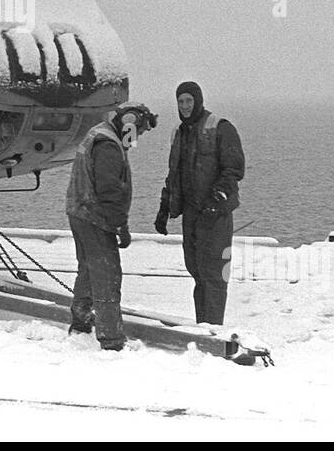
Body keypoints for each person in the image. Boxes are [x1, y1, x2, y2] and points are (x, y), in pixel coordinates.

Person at [66, 101, 158, 350]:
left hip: (80, 212)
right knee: (107, 274)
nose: (137, 137)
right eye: (140, 132)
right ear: (131, 124)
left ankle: (81, 321)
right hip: (95, 216)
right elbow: (109, 190)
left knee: (88, 268)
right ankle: (111, 339)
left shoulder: (102, 133)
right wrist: (120, 225)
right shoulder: (108, 145)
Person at [155, 81, 245, 325]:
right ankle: (202, 326)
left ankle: (213, 330)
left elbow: (234, 169)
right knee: (196, 270)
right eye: (180, 102)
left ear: (198, 101)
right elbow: (174, 174)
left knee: (214, 273)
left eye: (188, 101)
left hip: (216, 215)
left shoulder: (220, 128)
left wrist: (218, 198)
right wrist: (165, 206)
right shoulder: (179, 132)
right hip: (192, 215)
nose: (184, 106)